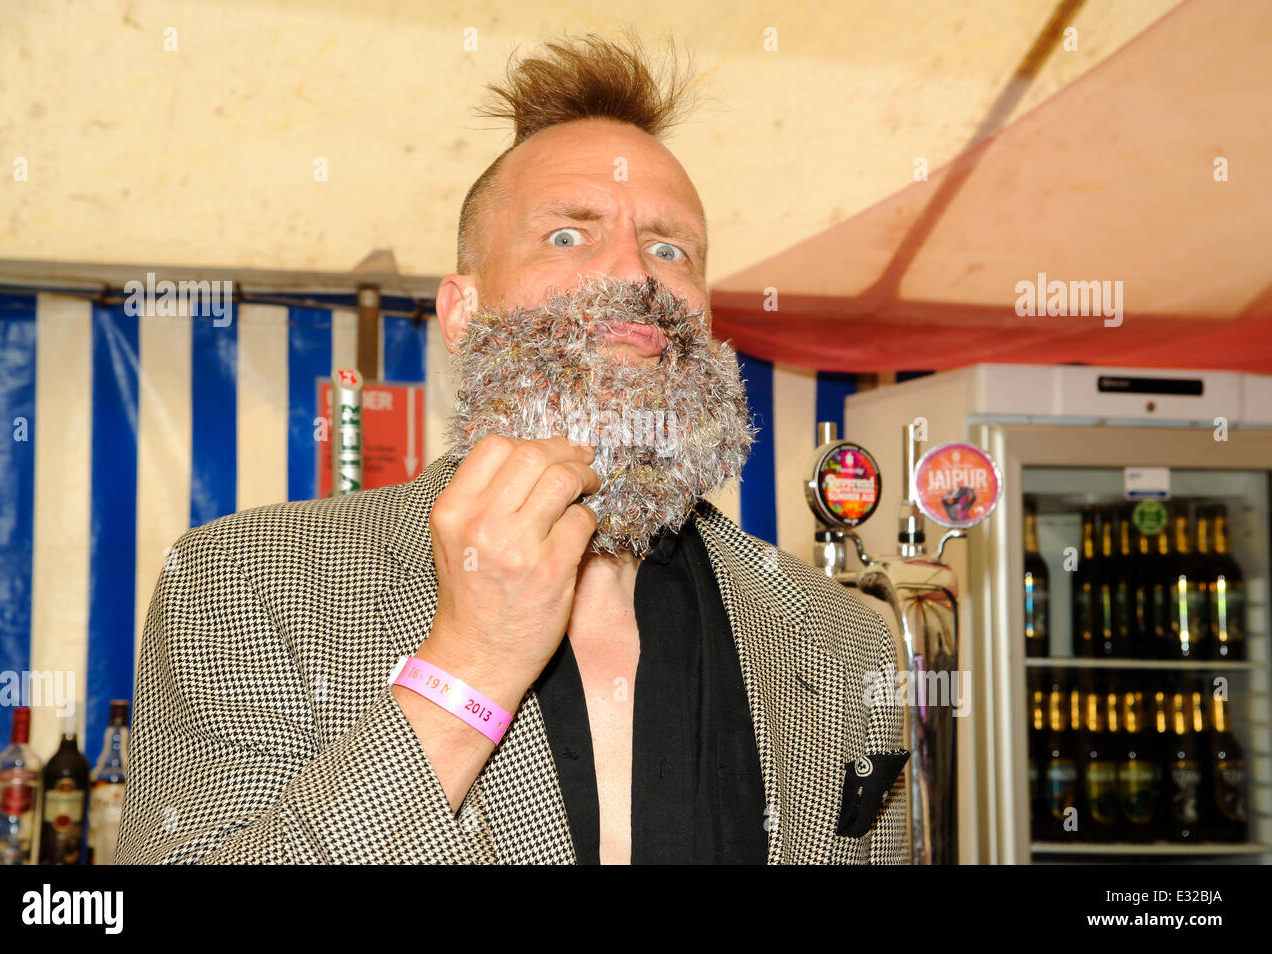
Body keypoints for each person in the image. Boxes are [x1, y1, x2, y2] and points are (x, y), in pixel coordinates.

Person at [115, 31, 909, 865]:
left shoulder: (840, 637)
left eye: (671, 248)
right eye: (568, 236)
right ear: (463, 312)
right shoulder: (242, 584)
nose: (636, 273)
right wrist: (471, 666)